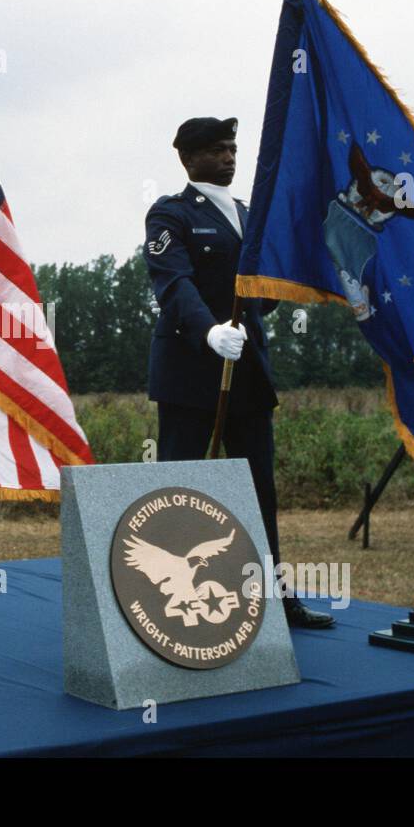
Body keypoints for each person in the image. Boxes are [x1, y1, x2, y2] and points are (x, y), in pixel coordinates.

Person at [143, 116, 334, 629]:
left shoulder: (251, 215)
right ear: (189, 158)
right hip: (189, 371)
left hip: (246, 373)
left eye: (233, 148)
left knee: (258, 490)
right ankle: (171, 601)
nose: (230, 157)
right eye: (218, 150)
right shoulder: (171, 214)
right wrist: (208, 331)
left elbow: (261, 296)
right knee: (182, 488)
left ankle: (273, 595)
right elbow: (173, 283)